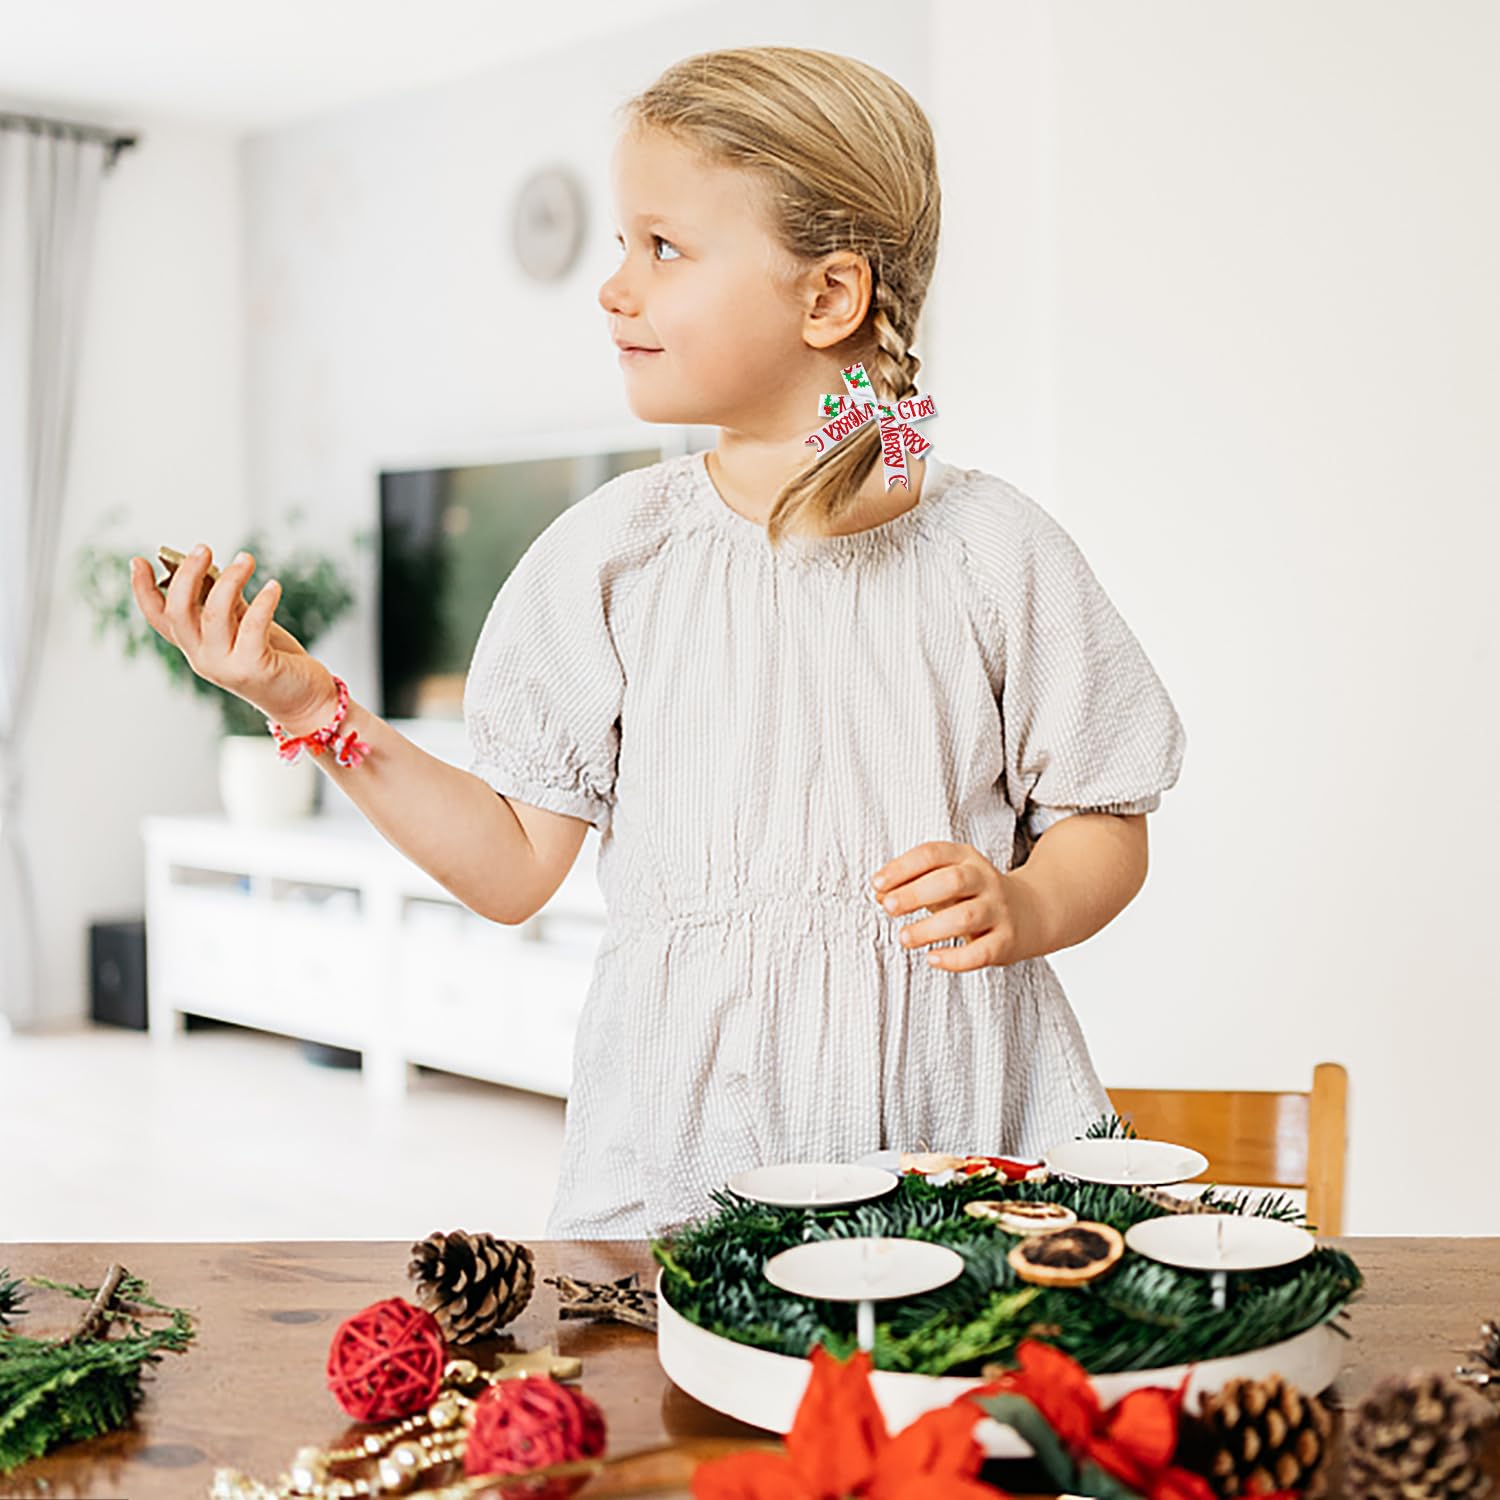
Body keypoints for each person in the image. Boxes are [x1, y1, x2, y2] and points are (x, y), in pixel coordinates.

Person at [129, 45, 1185, 1241]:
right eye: (620, 246)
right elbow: (511, 868)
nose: (613, 287)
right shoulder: (614, 558)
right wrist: (311, 704)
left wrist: (1029, 904)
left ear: (828, 297)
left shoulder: (994, 551)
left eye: (661, 247)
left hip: (957, 1147)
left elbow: (1106, 819)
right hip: (690, 1154)